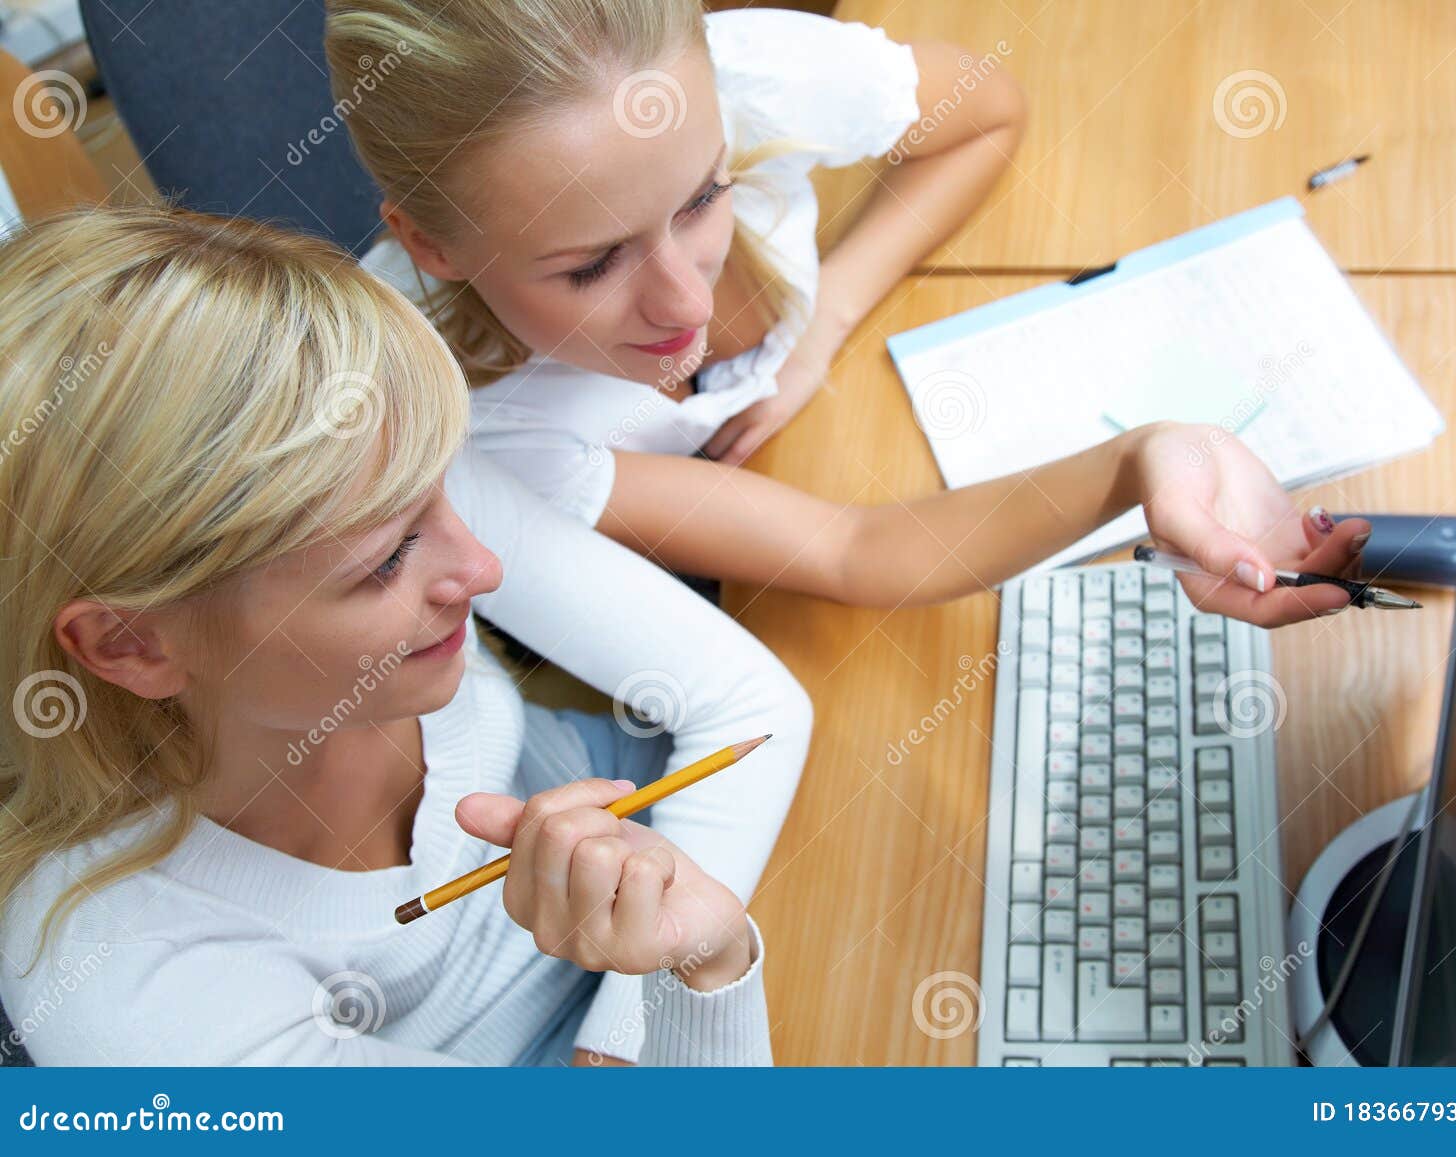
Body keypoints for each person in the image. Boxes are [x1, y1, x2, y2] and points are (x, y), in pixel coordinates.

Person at [0, 207, 808, 1065]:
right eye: (384, 565)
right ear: (130, 644)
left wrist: (646, 987)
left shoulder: (378, 458)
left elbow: (751, 708)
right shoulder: (132, 1001)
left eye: (446, 491)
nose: (484, 567)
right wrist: (695, 969)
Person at [333, 0, 1371, 623]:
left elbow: (986, 117)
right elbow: (846, 549)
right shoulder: (480, 435)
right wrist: (1132, 464)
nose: (685, 298)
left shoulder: (737, 78)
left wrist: (824, 318)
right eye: (590, 266)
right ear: (432, 246)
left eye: (703, 195)